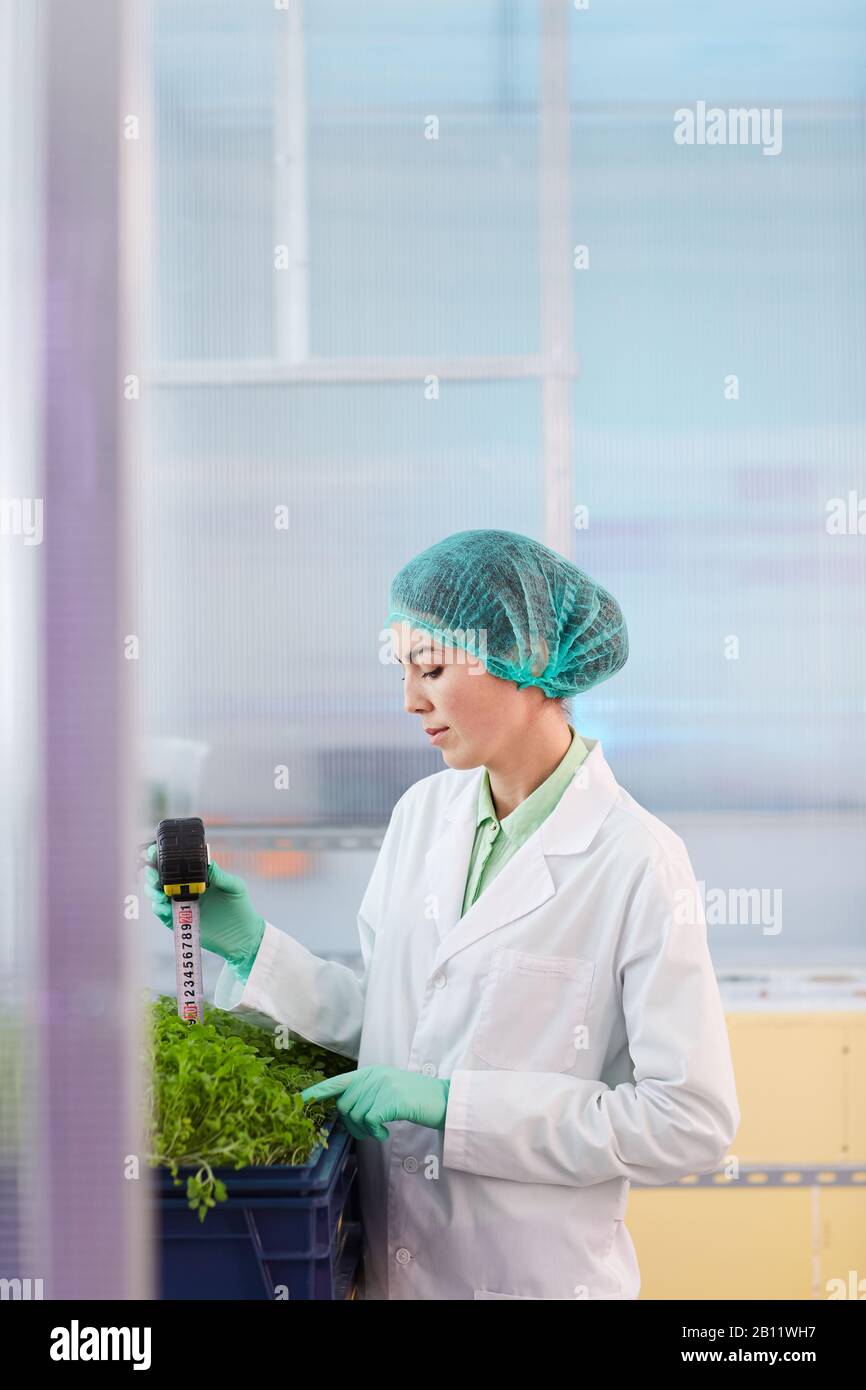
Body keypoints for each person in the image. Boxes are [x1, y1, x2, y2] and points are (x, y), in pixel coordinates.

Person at [144, 528, 739, 1301]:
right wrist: (255, 951)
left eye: (431, 668)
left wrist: (458, 1105)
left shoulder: (636, 861)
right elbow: (395, 1028)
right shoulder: (423, 814)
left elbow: (687, 1120)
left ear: (524, 660)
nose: (409, 699)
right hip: (388, 1272)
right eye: (401, 670)